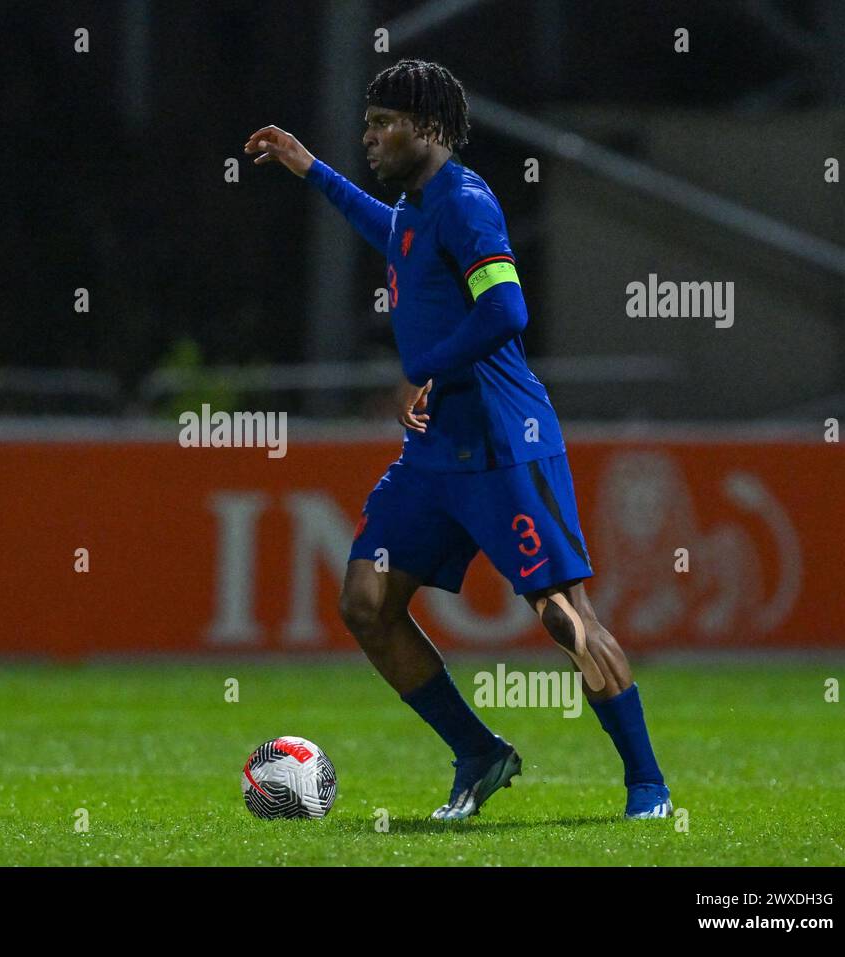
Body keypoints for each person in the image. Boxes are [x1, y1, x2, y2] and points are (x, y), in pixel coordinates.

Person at [244, 59, 671, 821]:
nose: (370, 136)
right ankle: (479, 752)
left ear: (429, 127)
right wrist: (310, 167)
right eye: (368, 123)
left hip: (505, 442)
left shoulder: (467, 203)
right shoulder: (417, 208)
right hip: (437, 451)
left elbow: (506, 310)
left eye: (384, 124)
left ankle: (648, 784)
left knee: (564, 616)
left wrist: (426, 369)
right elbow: (393, 234)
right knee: (367, 601)